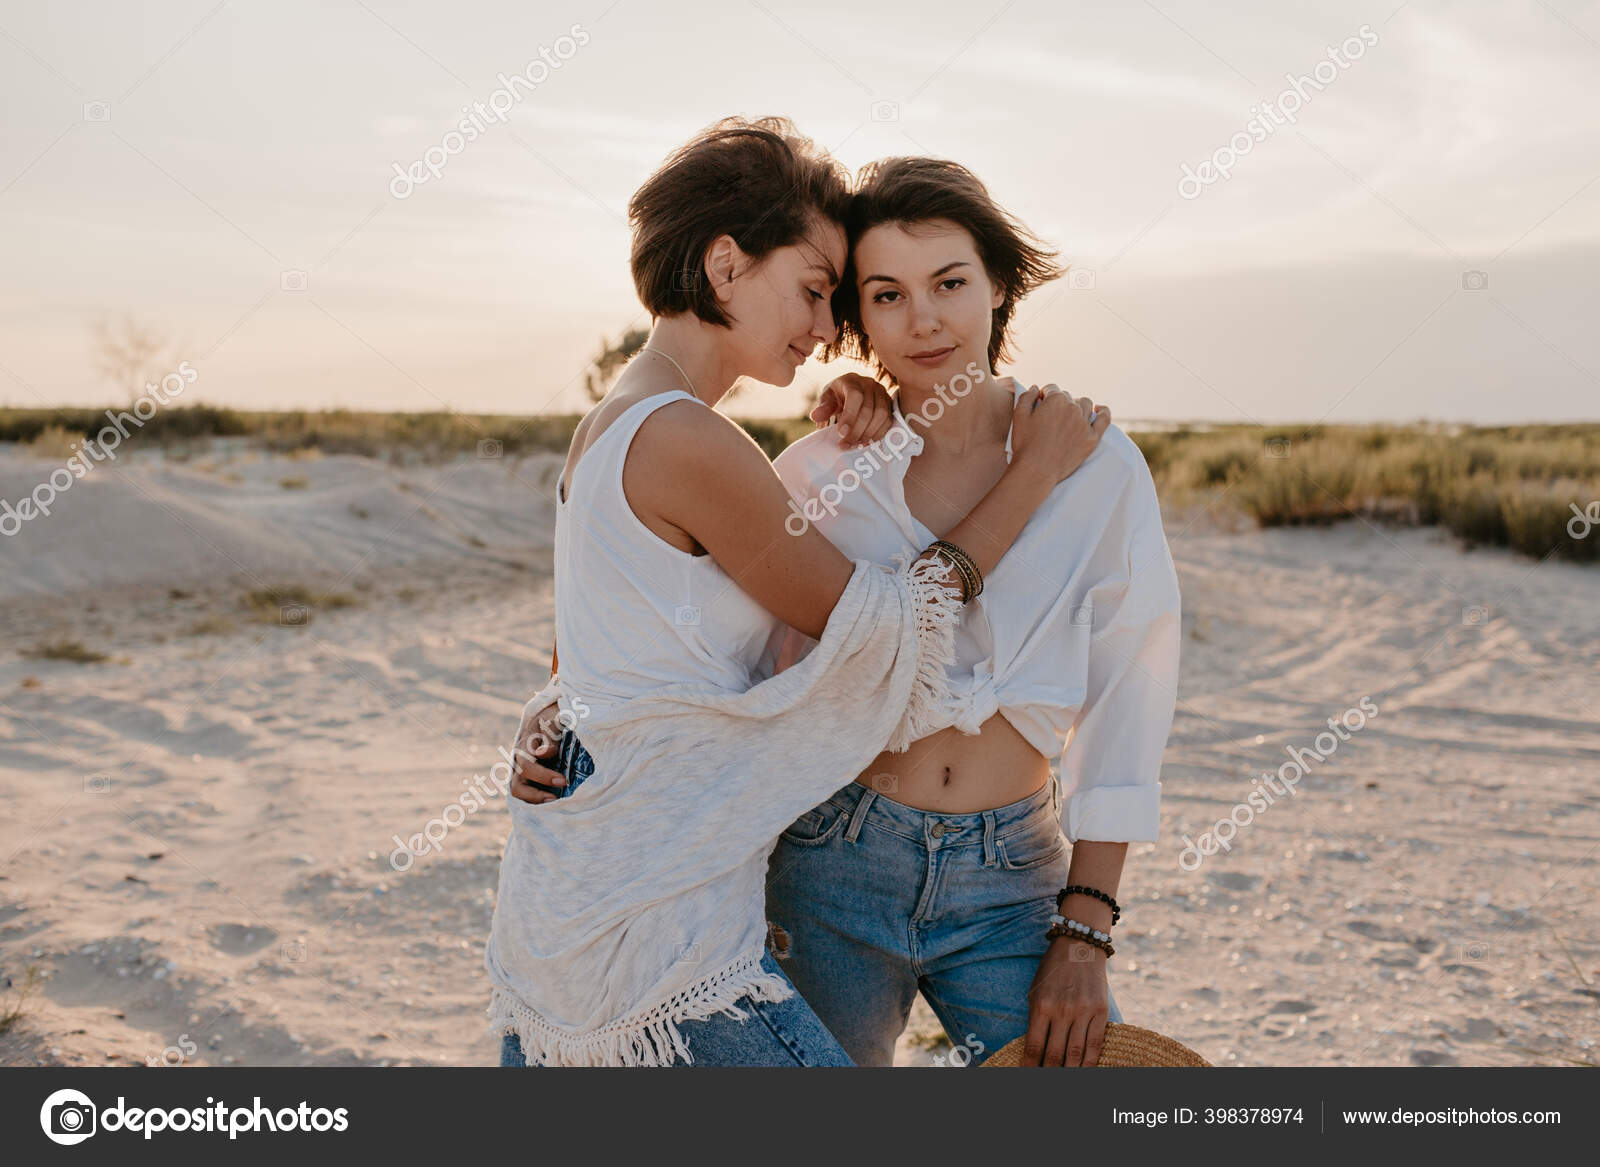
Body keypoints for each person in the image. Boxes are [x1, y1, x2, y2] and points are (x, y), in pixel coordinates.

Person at [517, 155, 1178, 1069]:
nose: (925, 318)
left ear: (998, 285)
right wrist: (562, 712)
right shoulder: (815, 471)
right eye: (880, 294)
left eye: (950, 282)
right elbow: (761, 648)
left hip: (1011, 869)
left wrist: (1087, 929)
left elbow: (1129, 701)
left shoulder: (1097, 468)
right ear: (862, 320)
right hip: (831, 854)